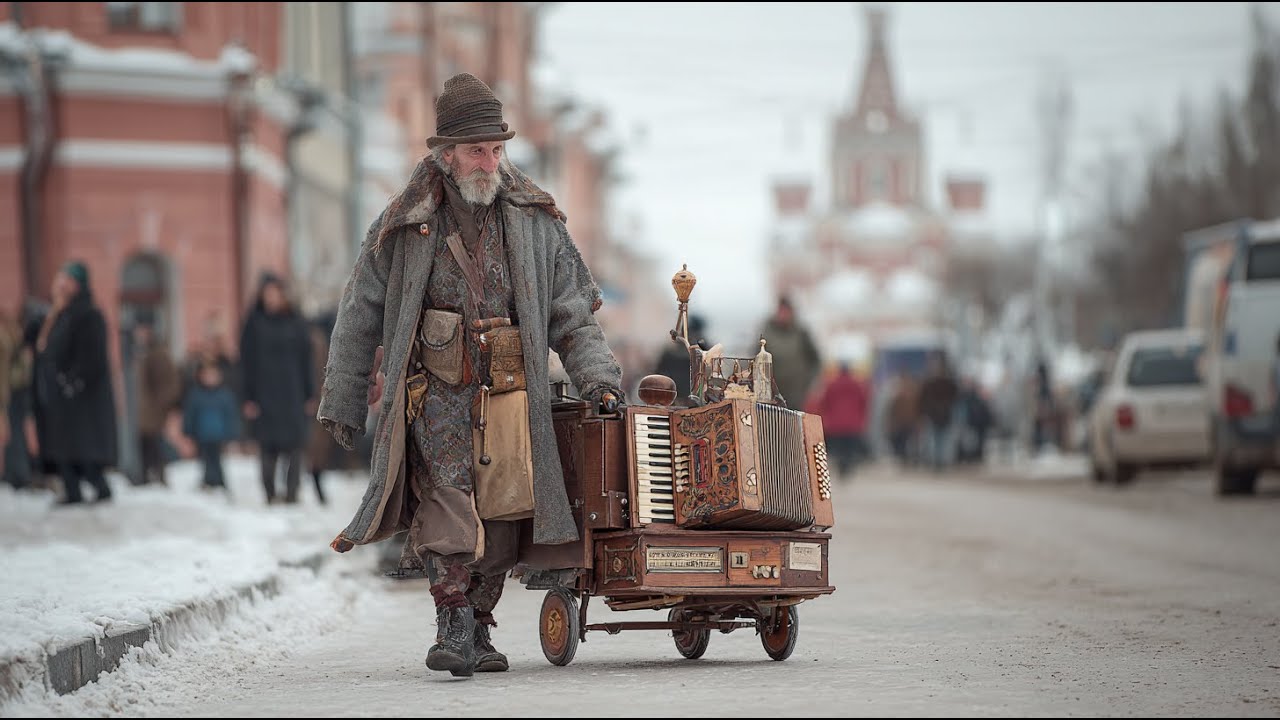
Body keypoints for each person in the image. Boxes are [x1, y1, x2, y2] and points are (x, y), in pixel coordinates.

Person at [318, 73, 623, 678]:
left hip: (513, 391)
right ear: (447, 153)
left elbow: (571, 311)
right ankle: (452, 622)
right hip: (438, 395)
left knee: (506, 510)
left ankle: (481, 626)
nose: (489, 161)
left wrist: (599, 379)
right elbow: (360, 315)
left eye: (496, 149)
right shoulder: (404, 223)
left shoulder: (535, 220)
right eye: (477, 150)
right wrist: (345, 398)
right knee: (449, 501)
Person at [33, 261, 118, 505]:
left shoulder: (89, 315)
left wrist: (72, 380)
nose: (61, 285)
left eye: (67, 280)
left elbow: (93, 357)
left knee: (83, 449)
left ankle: (99, 487)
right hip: (61, 396)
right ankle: (72, 490)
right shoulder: (60, 313)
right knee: (64, 448)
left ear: (78, 284)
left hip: (81, 397)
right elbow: (40, 343)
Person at [239, 273, 314, 505]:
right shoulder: (254, 323)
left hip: (292, 392)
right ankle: (270, 493)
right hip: (264, 393)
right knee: (267, 446)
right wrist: (248, 397)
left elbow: (306, 359)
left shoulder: (296, 321)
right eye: (267, 294)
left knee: (295, 445)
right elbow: (245, 362)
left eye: (275, 293)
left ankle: (292, 492)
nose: (271, 298)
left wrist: (310, 394)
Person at [134, 321, 181, 486]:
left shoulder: (157, 354)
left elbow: (167, 383)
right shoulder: (146, 353)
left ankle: (156, 475)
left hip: (153, 408)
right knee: (149, 442)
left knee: (154, 442)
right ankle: (150, 475)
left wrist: (162, 404)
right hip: (148, 408)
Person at [183, 362, 240, 492]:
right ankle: (208, 480)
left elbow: (231, 416)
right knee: (205, 459)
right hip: (202, 434)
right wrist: (188, 432)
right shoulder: (196, 395)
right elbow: (190, 415)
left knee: (217, 459)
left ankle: (219, 481)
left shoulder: (225, 395)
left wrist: (232, 434)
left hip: (219, 434)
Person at [759, 297, 821, 409]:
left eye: (786, 311)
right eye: (781, 311)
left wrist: (807, 383)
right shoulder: (768, 332)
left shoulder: (801, 332)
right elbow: (756, 358)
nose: (783, 315)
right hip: (772, 393)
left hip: (796, 394)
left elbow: (815, 360)